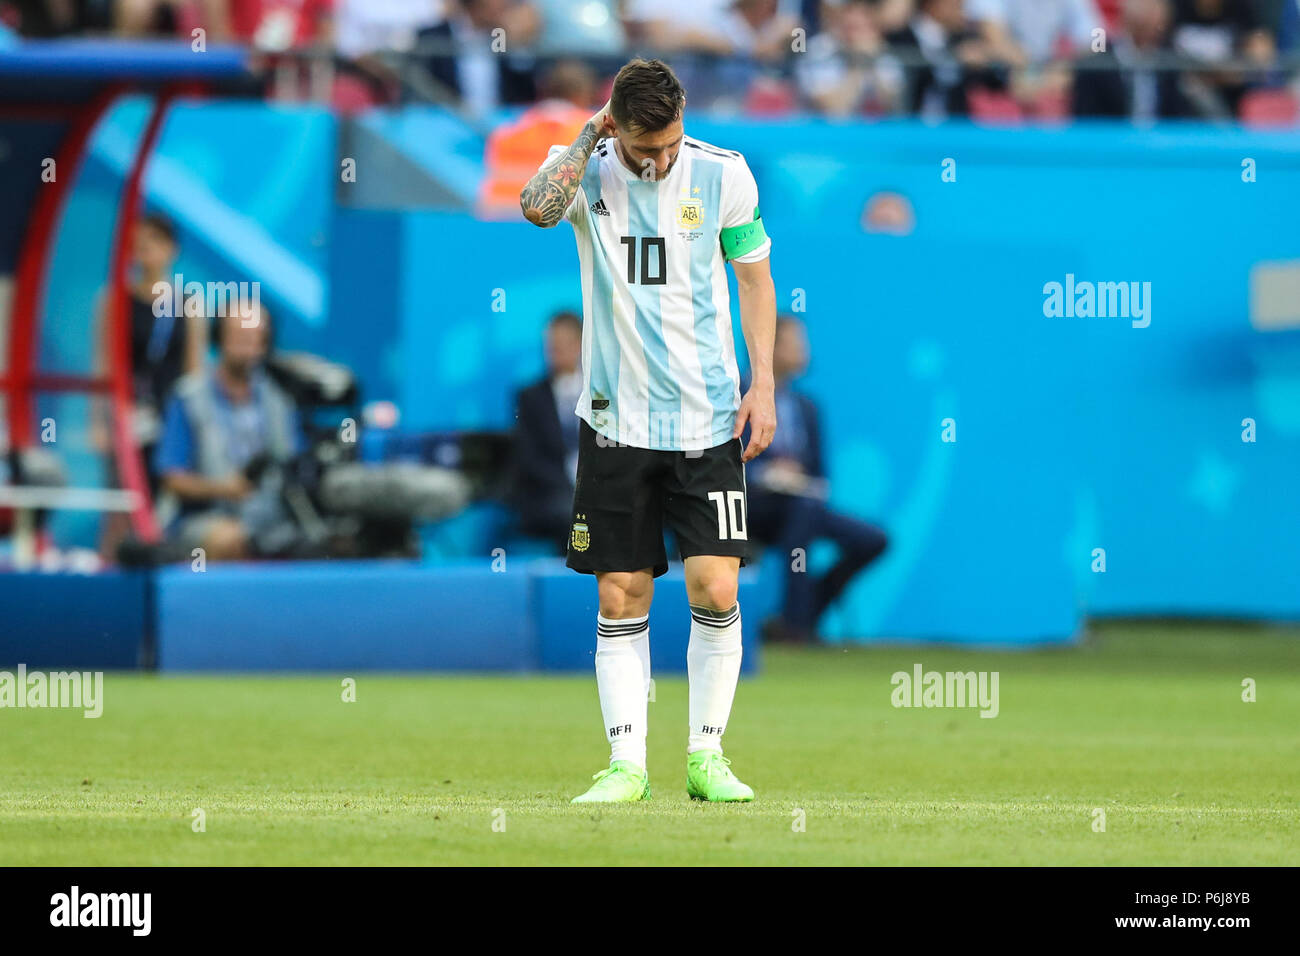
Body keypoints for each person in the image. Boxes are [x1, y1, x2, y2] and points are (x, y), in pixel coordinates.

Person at [520, 58, 777, 804]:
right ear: (615, 125)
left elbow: (754, 280)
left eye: (669, 143)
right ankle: (626, 765)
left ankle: (707, 755)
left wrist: (761, 383)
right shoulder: (586, 171)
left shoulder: (724, 174)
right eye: (643, 147)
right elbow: (537, 208)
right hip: (615, 418)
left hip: (705, 416)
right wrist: (588, 138)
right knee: (620, 594)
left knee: (715, 583)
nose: (659, 159)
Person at [746, 317, 888, 643]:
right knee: (803, 510)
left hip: (802, 506)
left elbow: (820, 476)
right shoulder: (736, 393)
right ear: (769, 346)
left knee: (873, 539)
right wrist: (766, 473)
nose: (803, 350)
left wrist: (800, 483)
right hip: (751, 506)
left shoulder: (808, 408)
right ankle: (797, 627)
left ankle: (802, 615)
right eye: (795, 342)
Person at [154, 302, 304, 562]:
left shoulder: (281, 401)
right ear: (219, 338)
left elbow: (295, 465)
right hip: (203, 519)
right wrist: (225, 489)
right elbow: (173, 478)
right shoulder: (188, 398)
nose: (247, 346)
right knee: (232, 539)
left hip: (270, 517)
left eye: (254, 337)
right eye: (238, 337)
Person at [509, 311, 584, 550]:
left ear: (581, 344)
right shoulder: (530, 397)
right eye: (552, 346)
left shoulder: (605, 393)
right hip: (551, 494)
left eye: (564, 345)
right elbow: (529, 459)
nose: (556, 352)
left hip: (600, 487)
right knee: (573, 511)